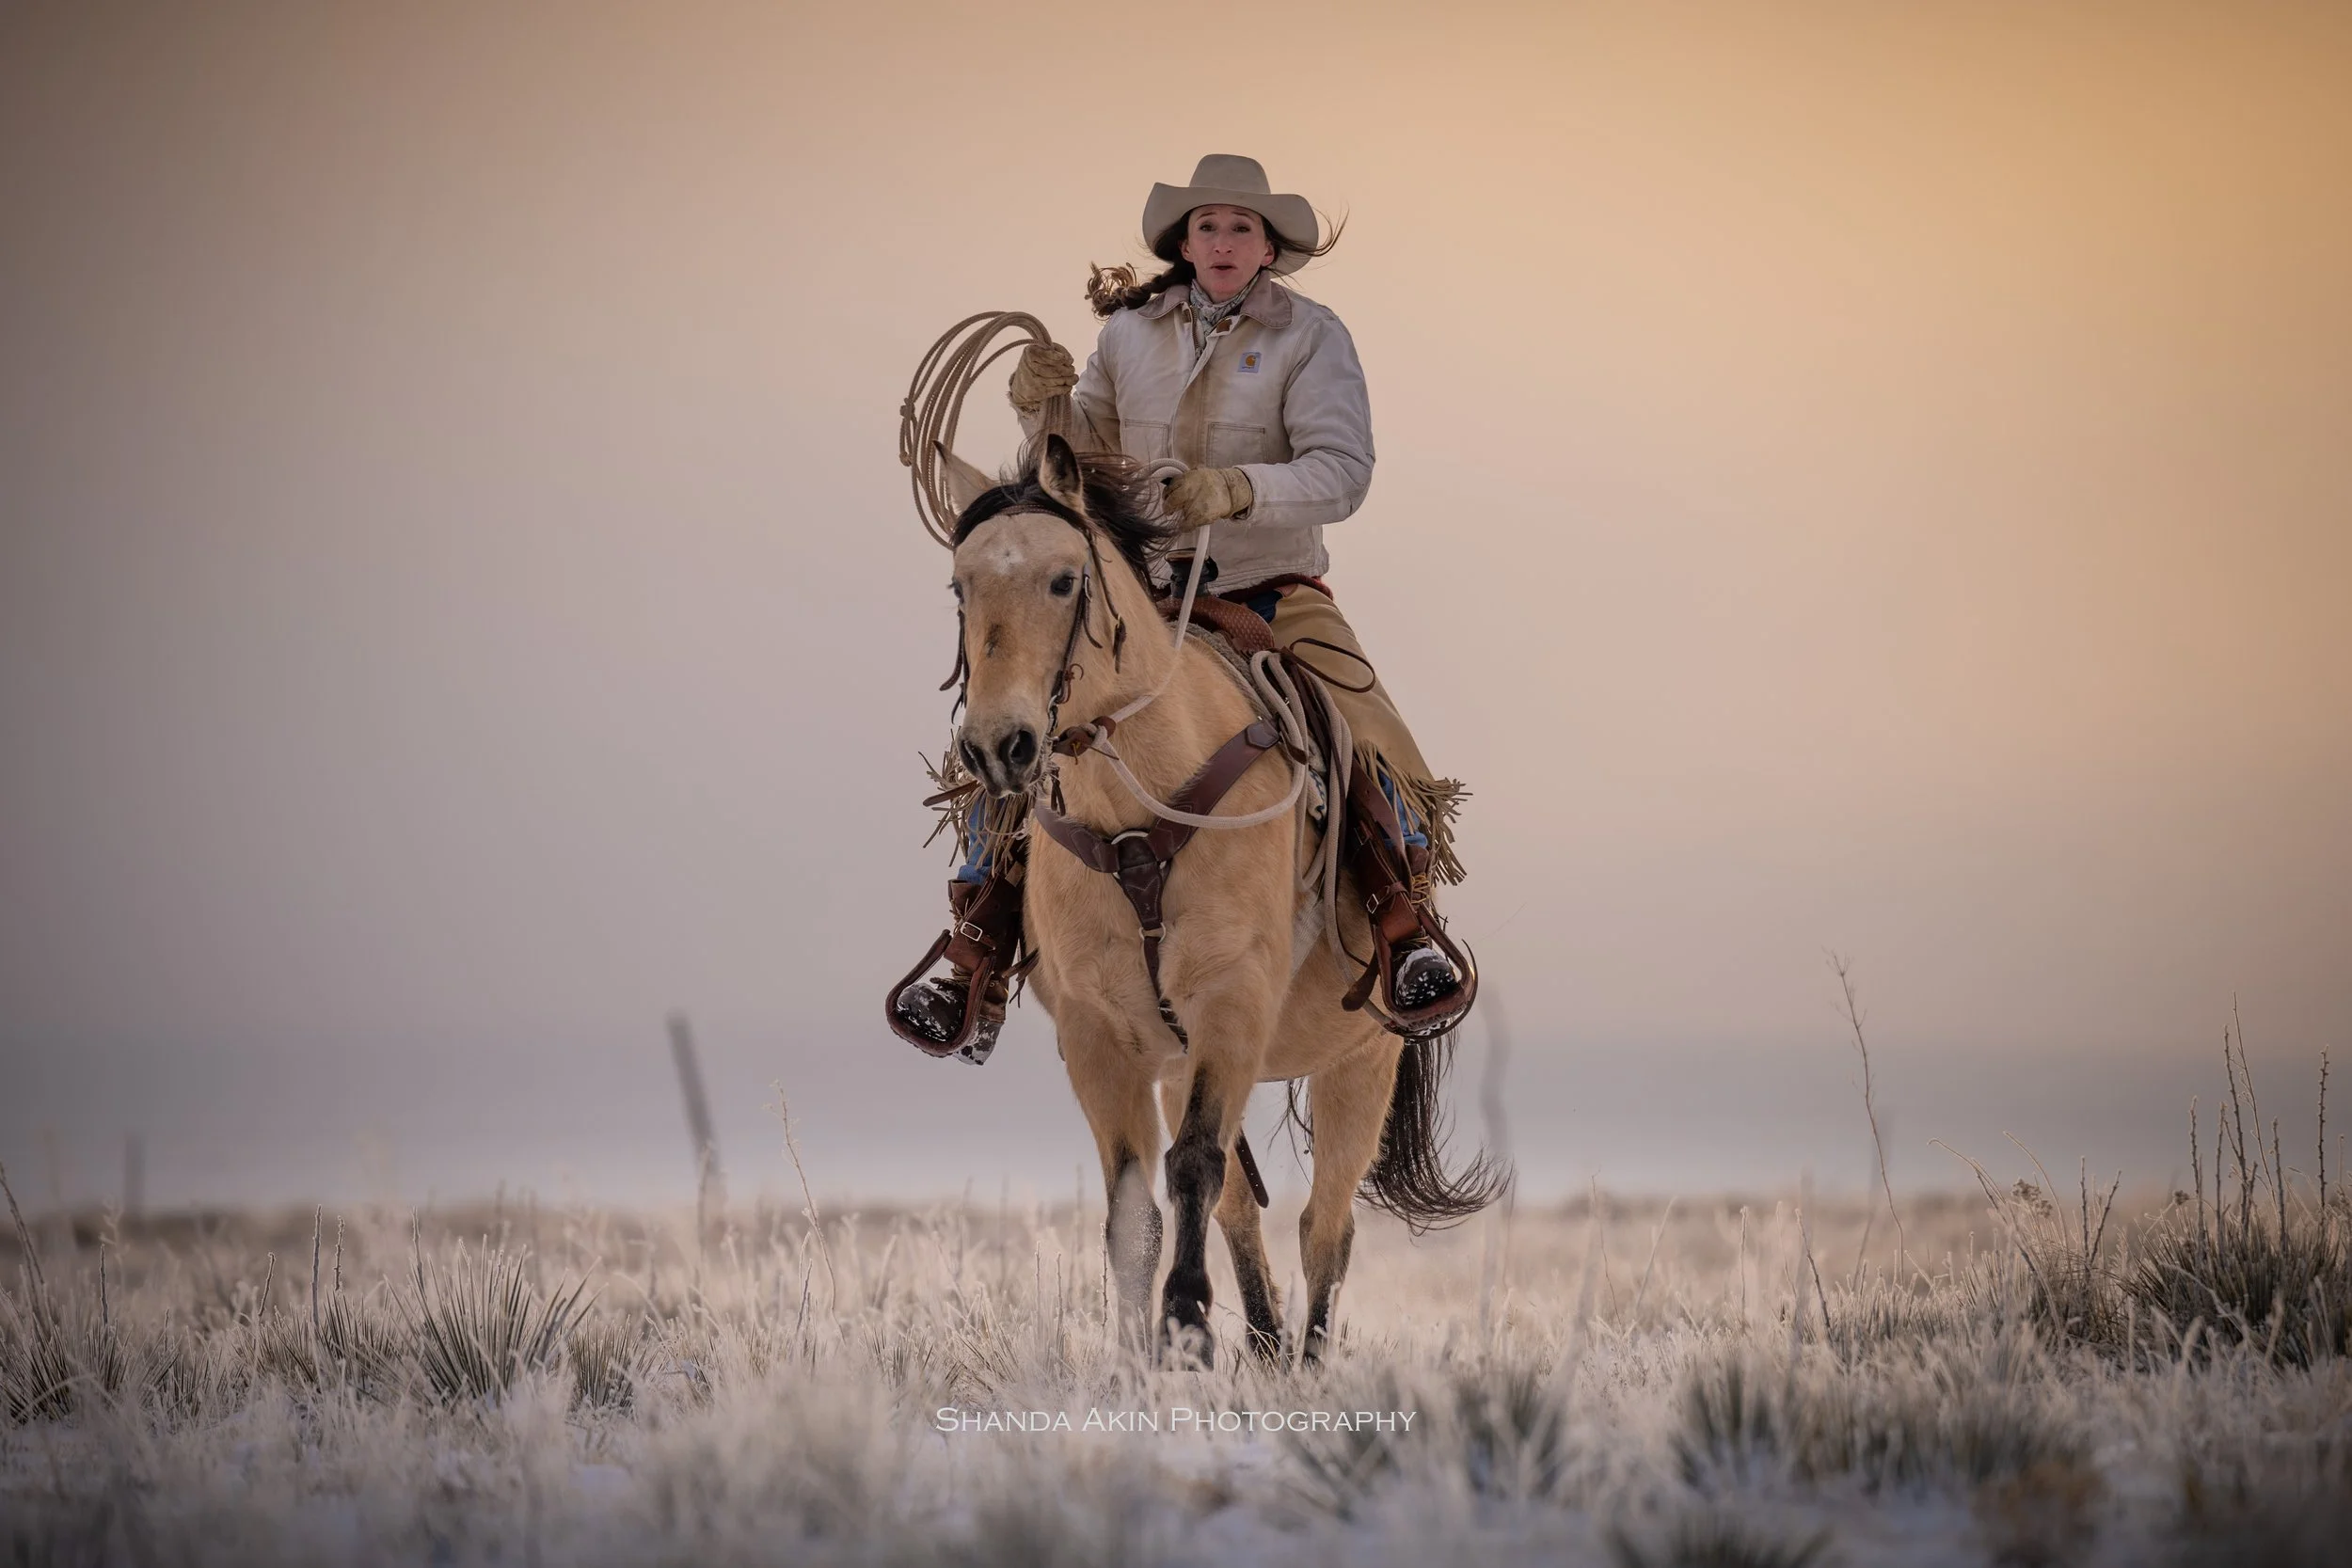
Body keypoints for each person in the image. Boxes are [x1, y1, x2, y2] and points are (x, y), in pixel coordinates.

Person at [890, 154, 1469, 1064]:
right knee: (1015, 721)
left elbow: (1343, 471)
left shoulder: (1313, 339)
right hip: (1139, 600)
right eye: (1208, 227)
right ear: (1183, 242)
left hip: (1270, 594)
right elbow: (1078, 468)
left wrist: (1236, 490)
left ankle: (1404, 922)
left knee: (1369, 729)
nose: (1225, 242)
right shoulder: (1128, 337)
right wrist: (1041, 409)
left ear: (1270, 246)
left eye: (1243, 227)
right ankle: (980, 942)